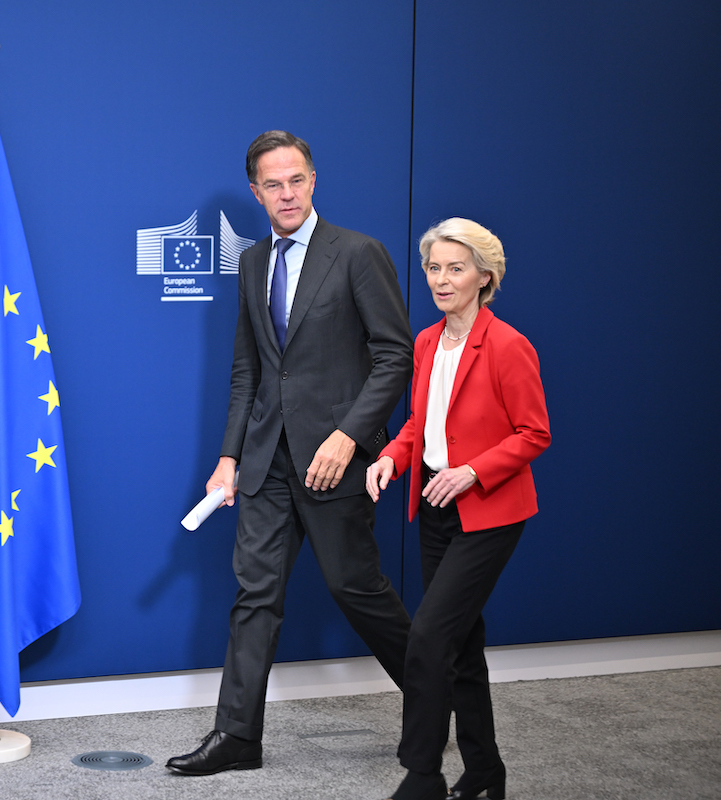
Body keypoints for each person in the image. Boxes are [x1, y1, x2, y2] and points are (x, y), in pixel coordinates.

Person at [166, 131, 414, 776]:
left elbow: (394, 357)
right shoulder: (251, 262)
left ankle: (437, 698)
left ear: (313, 180)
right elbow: (248, 371)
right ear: (256, 192)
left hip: (335, 458)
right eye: (273, 184)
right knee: (255, 595)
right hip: (264, 461)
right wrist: (228, 456)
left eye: (296, 179)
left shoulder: (359, 253)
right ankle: (238, 737)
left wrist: (350, 436)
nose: (286, 193)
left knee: (356, 587)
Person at [366, 218, 550, 800]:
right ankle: (486, 774)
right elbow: (422, 425)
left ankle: (423, 774)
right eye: (433, 268)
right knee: (462, 646)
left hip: (490, 513)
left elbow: (534, 433)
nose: (441, 280)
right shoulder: (426, 341)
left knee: (427, 639)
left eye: (455, 268)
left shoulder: (507, 344)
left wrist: (473, 470)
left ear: (484, 277)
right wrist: (394, 458)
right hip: (437, 510)